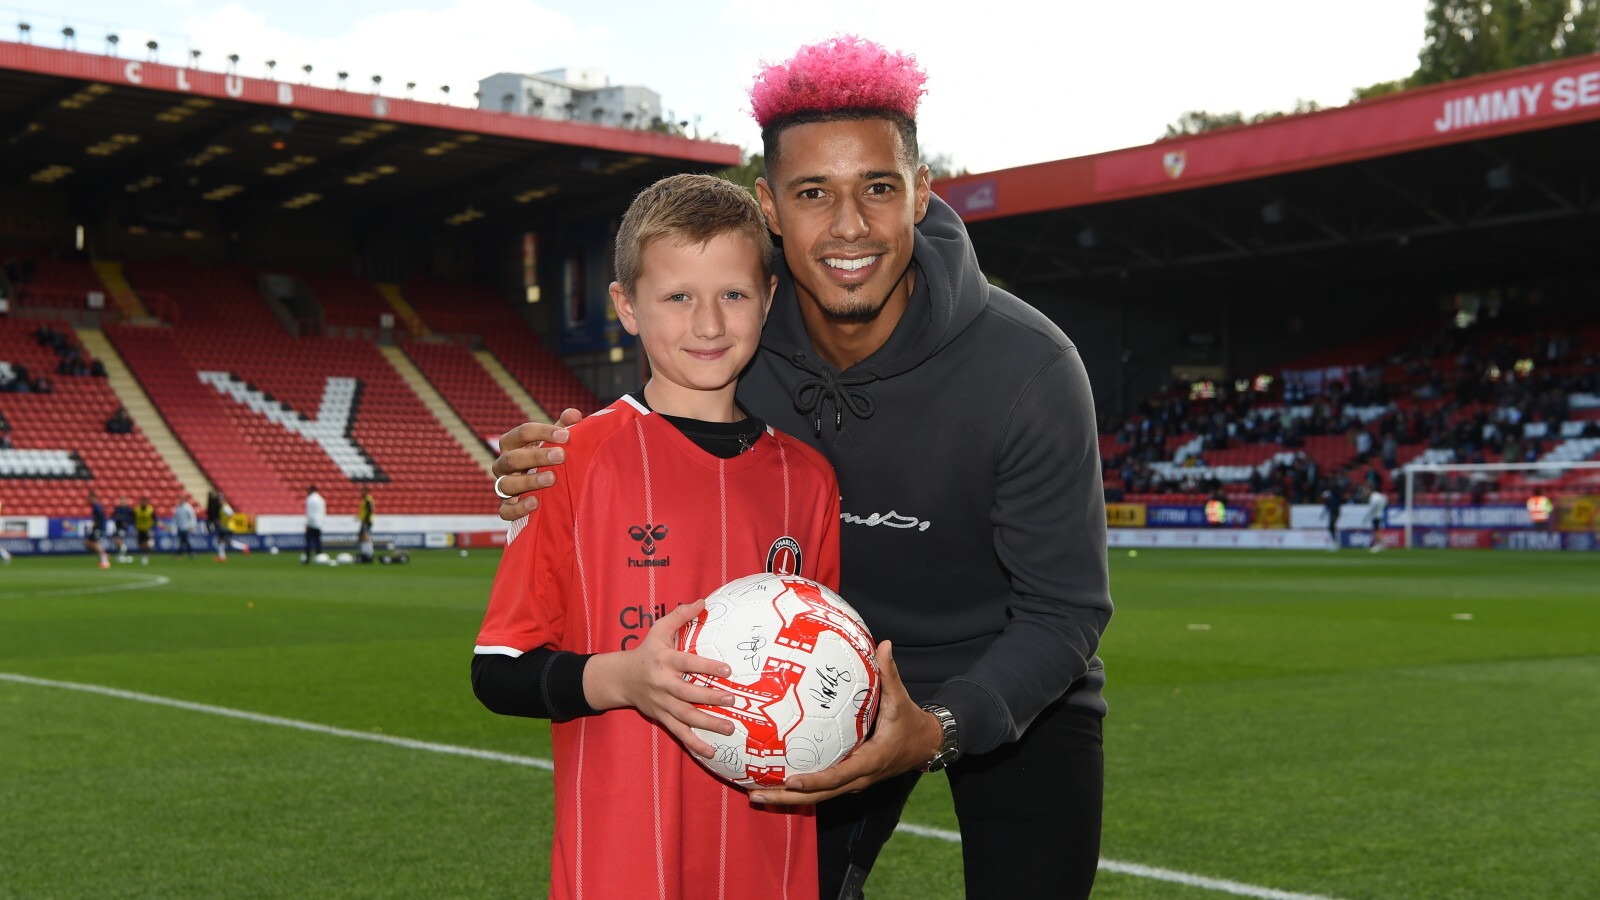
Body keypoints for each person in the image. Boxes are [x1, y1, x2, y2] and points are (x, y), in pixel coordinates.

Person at [489, 37, 1111, 900]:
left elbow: (1065, 609)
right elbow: (657, 442)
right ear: (771, 208)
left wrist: (937, 725)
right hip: (806, 681)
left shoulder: (1031, 370)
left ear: (922, 194)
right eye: (814, 193)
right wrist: (554, 458)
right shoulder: (736, 331)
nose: (848, 226)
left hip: (1011, 679)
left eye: (878, 189)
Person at [472, 173, 841, 899]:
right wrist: (623, 679)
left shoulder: (810, 479)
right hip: (622, 864)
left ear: (768, 300)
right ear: (626, 307)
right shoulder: (572, 459)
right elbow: (498, 669)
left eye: (732, 294)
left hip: (774, 865)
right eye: (677, 297)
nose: (708, 324)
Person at [85, 491, 110, 569]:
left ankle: (104, 560)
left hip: (99, 528)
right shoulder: (95, 507)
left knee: (94, 543)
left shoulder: (97, 507)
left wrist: (93, 526)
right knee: (88, 542)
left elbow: (99, 519)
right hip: (98, 528)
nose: (88, 500)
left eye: (89, 498)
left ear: (94, 498)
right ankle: (102, 555)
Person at [1362, 485, 1388, 553]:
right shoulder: (1379, 495)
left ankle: (1378, 545)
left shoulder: (1374, 497)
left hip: (1376, 516)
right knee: (1377, 530)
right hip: (1379, 515)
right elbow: (1385, 499)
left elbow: (1373, 506)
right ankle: (1382, 545)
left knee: (1376, 531)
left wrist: (1368, 516)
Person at [303, 485, 325, 563]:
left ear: (311, 490)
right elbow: (323, 512)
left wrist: (308, 524)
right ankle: (319, 558)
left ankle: (307, 558)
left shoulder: (310, 499)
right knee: (317, 542)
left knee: (308, 542)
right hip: (319, 523)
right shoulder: (321, 499)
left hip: (312, 523)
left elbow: (309, 513)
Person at [133, 496, 155, 565]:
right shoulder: (137, 510)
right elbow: (134, 519)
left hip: (147, 529)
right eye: (142, 501)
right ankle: (145, 554)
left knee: (145, 543)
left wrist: (151, 527)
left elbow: (154, 519)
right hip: (139, 529)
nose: (143, 503)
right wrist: (135, 528)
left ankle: (145, 556)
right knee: (140, 544)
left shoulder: (150, 509)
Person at [111, 496, 135, 563]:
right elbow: (113, 516)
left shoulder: (128, 510)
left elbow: (132, 519)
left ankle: (122, 552)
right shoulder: (117, 509)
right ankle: (120, 554)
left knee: (118, 540)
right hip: (117, 527)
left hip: (123, 528)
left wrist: (127, 523)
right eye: (121, 500)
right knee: (116, 541)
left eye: (124, 501)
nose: (122, 502)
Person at [1323, 484, 1345, 549]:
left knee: (1332, 527)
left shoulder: (1334, 495)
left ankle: (1336, 543)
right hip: (1333, 512)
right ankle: (1335, 542)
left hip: (1334, 512)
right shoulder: (1332, 496)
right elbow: (1327, 505)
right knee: (1331, 527)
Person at [356, 490, 375, 563]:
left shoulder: (367, 500)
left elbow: (370, 510)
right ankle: (364, 551)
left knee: (365, 536)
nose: (361, 493)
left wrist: (365, 520)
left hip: (366, 521)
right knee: (361, 536)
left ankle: (368, 552)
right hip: (365, 520)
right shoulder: (365, 499)